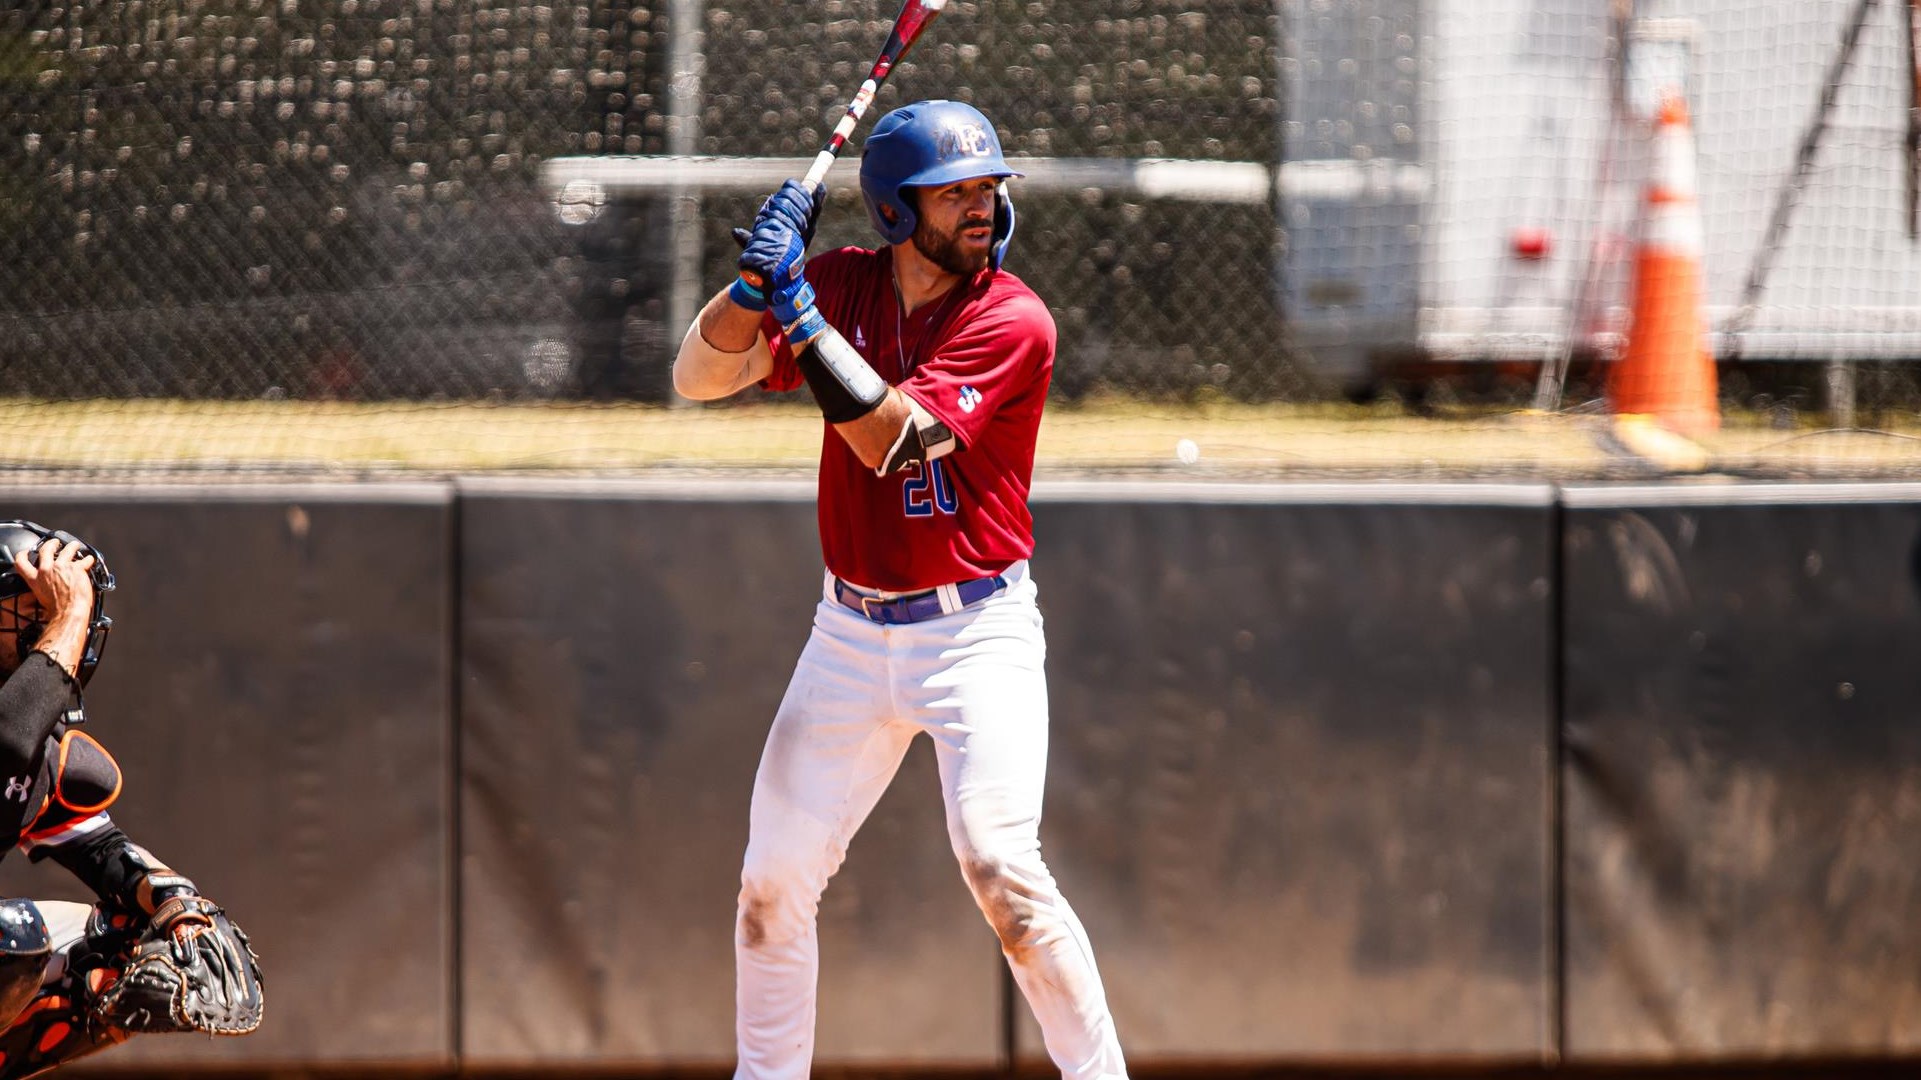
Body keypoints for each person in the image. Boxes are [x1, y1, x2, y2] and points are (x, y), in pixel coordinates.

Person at [672, 100, 1128, 1080]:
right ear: (893, 211)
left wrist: (796, 310)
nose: (982, 208)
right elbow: (700, 376)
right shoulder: (839, 284)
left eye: (988, 189)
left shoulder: (1012, 318)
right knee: (771, 887)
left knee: (1001, 865)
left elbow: (893, 443)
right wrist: (751, 286)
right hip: (847, 630)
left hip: (975, 635)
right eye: (954, 192)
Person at [0, 521, 263, 1078]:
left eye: (52, 610)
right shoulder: (14, 738)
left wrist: (181, 905)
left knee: (123, 941)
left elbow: (103, 851)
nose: (48, 625)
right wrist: (70, 616)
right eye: (31, 609)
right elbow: (7, 738)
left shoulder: (42, 761)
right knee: (13, 939)